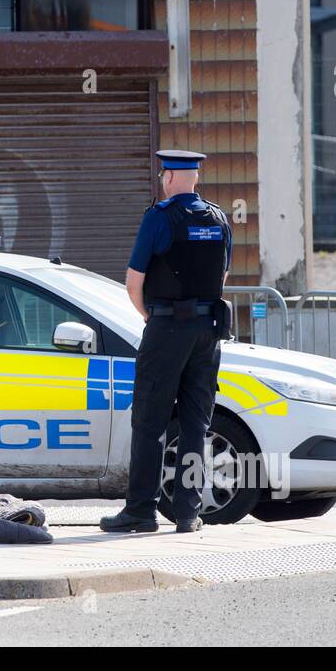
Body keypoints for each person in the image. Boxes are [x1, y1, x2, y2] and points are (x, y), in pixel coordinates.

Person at [100, 150, 232, 535]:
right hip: (208, 332)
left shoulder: (159, 217)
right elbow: (222, 277)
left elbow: (133, 282)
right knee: (195, 423)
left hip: (167, 328)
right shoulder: (219, 219)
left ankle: (141, 511)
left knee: (149, 419)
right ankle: (189, 514)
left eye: (163, 175)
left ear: (170, 177)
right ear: (195, 178)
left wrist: (150, 315)